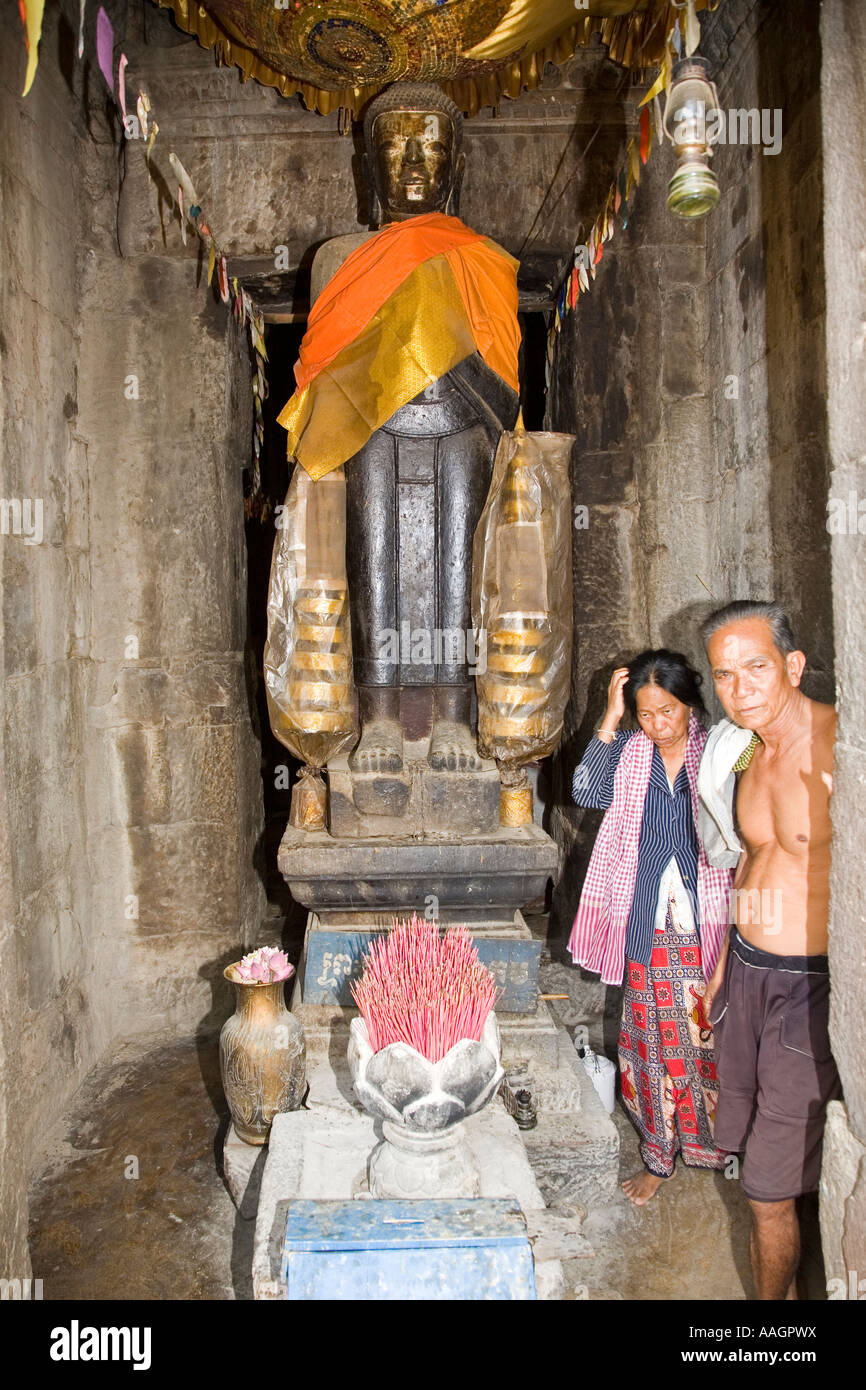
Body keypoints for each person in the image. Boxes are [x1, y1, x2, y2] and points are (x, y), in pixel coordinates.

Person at [700, 600, 842, 1300]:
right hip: (748, 976)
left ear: (792, 664)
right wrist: (725, 962)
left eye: (755, 667)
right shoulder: (746, 749)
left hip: (809, 989)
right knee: (747, 1140)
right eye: (723, 674)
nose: (740, 687)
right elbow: (748, 862)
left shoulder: (840, 746)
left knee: (764, 1188)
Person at [568, 651, 733, 1204]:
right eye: (646, 714)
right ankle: (659, 1155)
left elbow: (765, 751)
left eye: (669, 711)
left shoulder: (725, 748)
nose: (658, 724)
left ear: (690, 704)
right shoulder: (631, 752)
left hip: (707, 919)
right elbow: (586, 792)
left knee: (707, 1036)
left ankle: (714, 1145)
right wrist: (610, 720)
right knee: (648, 1040)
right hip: (643, 916)